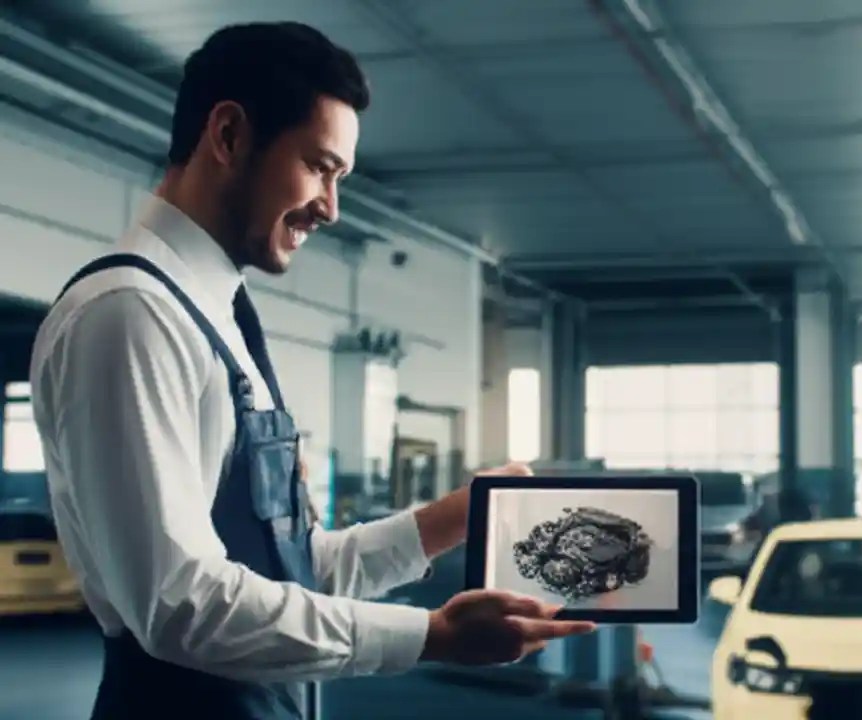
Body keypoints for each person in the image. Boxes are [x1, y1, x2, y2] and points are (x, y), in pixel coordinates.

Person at [28, 21, 594, 720]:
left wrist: (452, 519)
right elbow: (181, 605)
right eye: (320, 168)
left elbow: (289, 569)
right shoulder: (130, 316)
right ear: (228, 136)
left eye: (340, 178)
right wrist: (431, 635)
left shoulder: (218, 316)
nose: (331, 207)